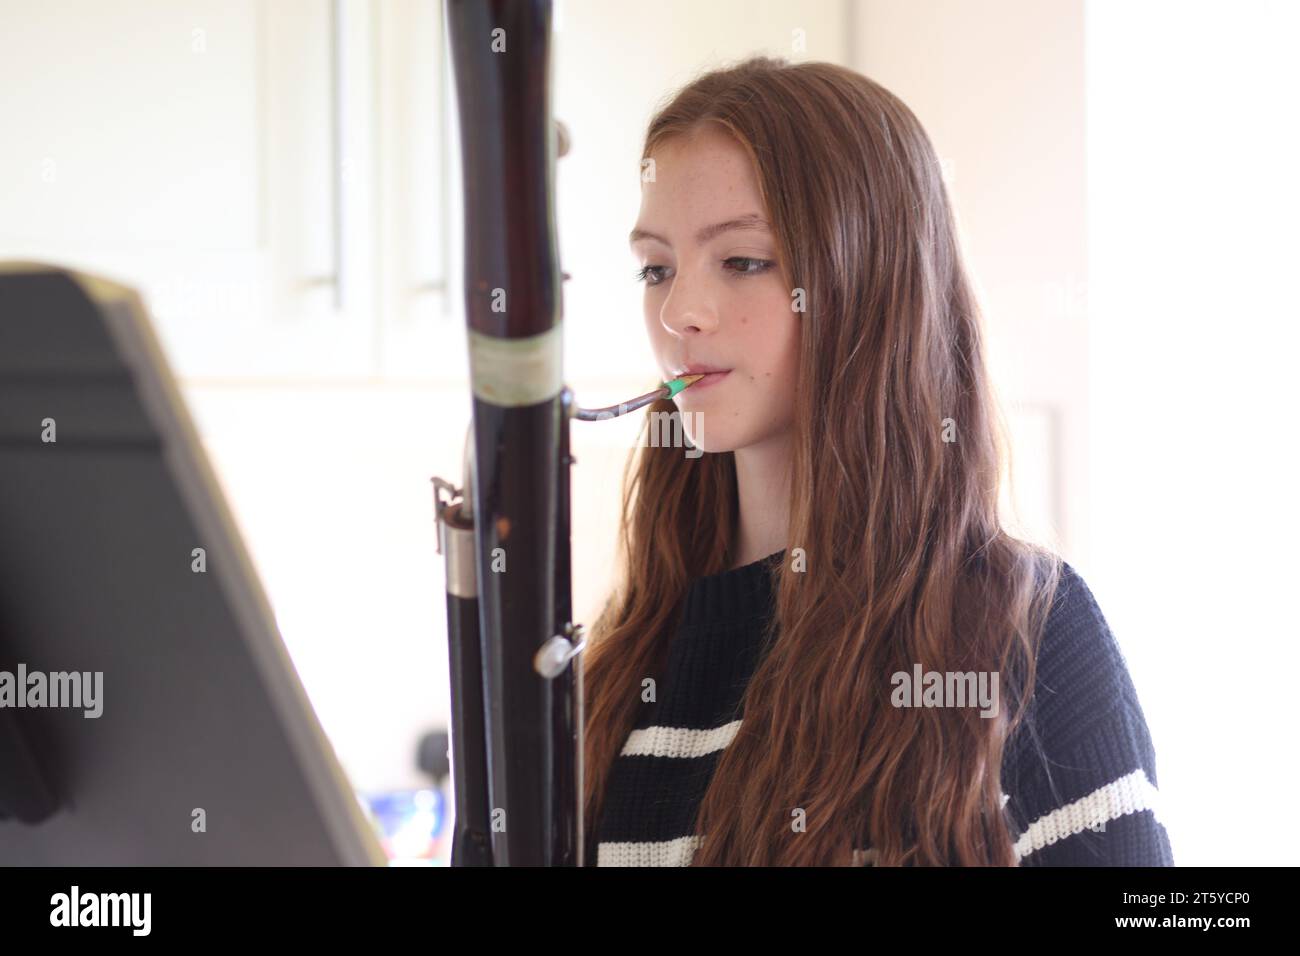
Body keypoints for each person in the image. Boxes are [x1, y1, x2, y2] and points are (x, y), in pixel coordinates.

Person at [582, 56, 1173, 867]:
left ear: (871, 283)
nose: (680, 310)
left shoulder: (1025, 638)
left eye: (743, 261)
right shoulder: (621, 674)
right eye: (657, 267)